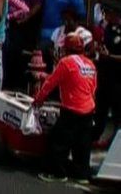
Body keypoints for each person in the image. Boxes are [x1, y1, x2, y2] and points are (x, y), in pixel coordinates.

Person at [34, 33, 97, 183]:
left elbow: (50, 84)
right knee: (82, 144)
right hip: (88, 109)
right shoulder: (90, 64)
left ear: (66, 48)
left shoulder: (66, 62)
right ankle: (81, 174)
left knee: (58, 141)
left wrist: (39, 99)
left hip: (72, 108)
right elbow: (93, 87)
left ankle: (57, 173)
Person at [93, 0, 121, 148]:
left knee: (117, 114)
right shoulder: (108, 28)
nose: (105, 15)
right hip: (105, 76)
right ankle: (94, 137)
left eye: (107, 12)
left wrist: (110, 57)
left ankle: (114, 144)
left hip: (118, 79)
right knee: (100, 111)